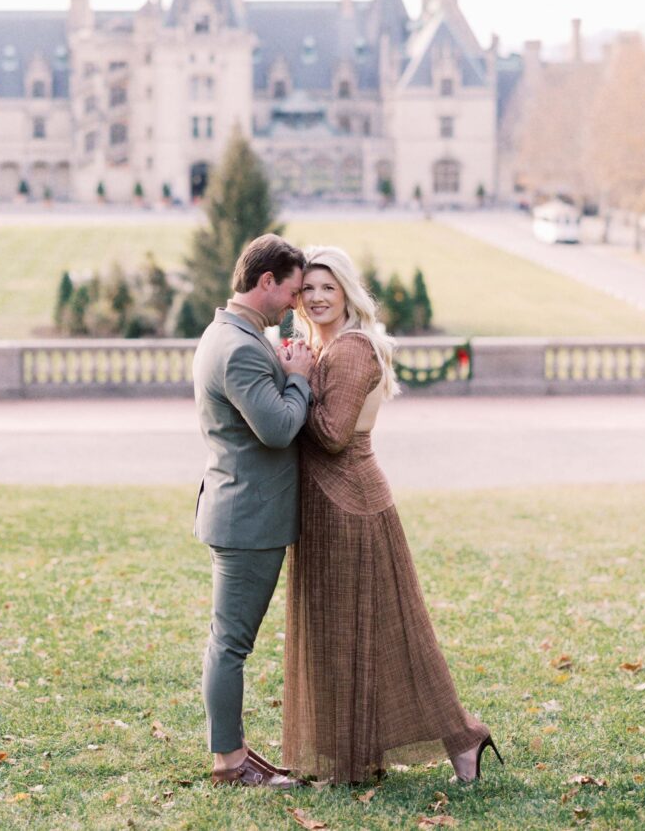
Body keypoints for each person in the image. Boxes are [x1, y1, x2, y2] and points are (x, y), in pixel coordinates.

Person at [281, 246, 501, 785]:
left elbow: (332, 436)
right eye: (307, 288)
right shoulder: (327, 347)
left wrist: (296, 382)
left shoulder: (352, 349)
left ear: (347, 293)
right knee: (350, 636)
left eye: (327, 287)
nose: (315, 297)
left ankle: (463, 737)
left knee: (371, 635)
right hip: (334, 502)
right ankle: (361, 754)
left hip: (349, 503)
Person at [191, 234, 315, 788]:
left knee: (228, 640)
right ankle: (228, 762)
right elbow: (279, 427)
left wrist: (285, 359)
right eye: (291, 292)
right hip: (248, 517)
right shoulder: (239, 347)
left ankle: (235, 749)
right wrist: (300, 380)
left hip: (241, 509)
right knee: (231, 643)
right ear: (266, 282)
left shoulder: (232, 333)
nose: (294, 305)